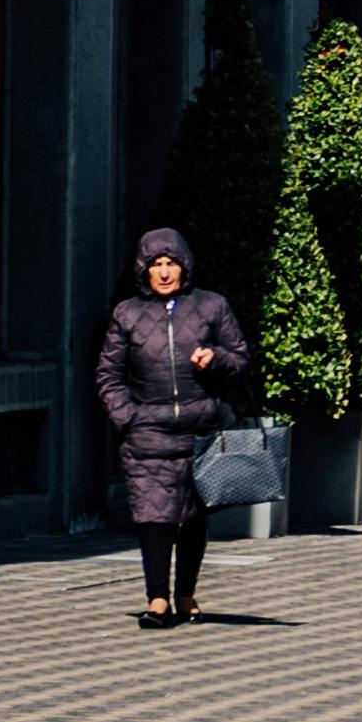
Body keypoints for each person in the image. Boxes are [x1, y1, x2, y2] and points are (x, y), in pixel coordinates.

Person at [96, 226, 255, 628]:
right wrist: (127, 417)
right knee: (154, 517)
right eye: (156, 265)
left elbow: (239, 359)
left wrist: (214, 357)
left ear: (184, 267)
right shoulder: (127, 314)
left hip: (202, 432)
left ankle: (185, 592)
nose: (164, 272)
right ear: (143, 271)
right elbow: (108, 375)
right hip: (147, 433)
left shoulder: (211, 307)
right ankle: (157, 599)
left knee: (192, 518)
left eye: (171, 264)